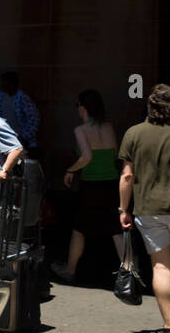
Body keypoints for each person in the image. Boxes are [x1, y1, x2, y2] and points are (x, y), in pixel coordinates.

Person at [118, 83, 170, 333]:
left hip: (148, 209)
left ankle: (169, 328)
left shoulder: (135, 133)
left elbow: (127, 175)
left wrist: (123, 209)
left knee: (161, 265)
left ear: (150, 106)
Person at [52, 90, 122, 283]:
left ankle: (70, 270)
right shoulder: (108, 127)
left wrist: (71, 170)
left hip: (91, 185)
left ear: (82, 107)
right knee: (116, 229)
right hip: (111, 183)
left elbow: (86, 157)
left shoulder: (80, 130)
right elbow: (115, 154)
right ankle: (129, 270)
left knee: (79, 229)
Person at [0, 70, 40, 150]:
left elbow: (33, 118)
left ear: (11, 83)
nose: (2, 85)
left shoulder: (22, 98)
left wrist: (25, 136)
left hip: (21, 140)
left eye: (4, 82)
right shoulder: (0, 97)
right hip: (5, 138)